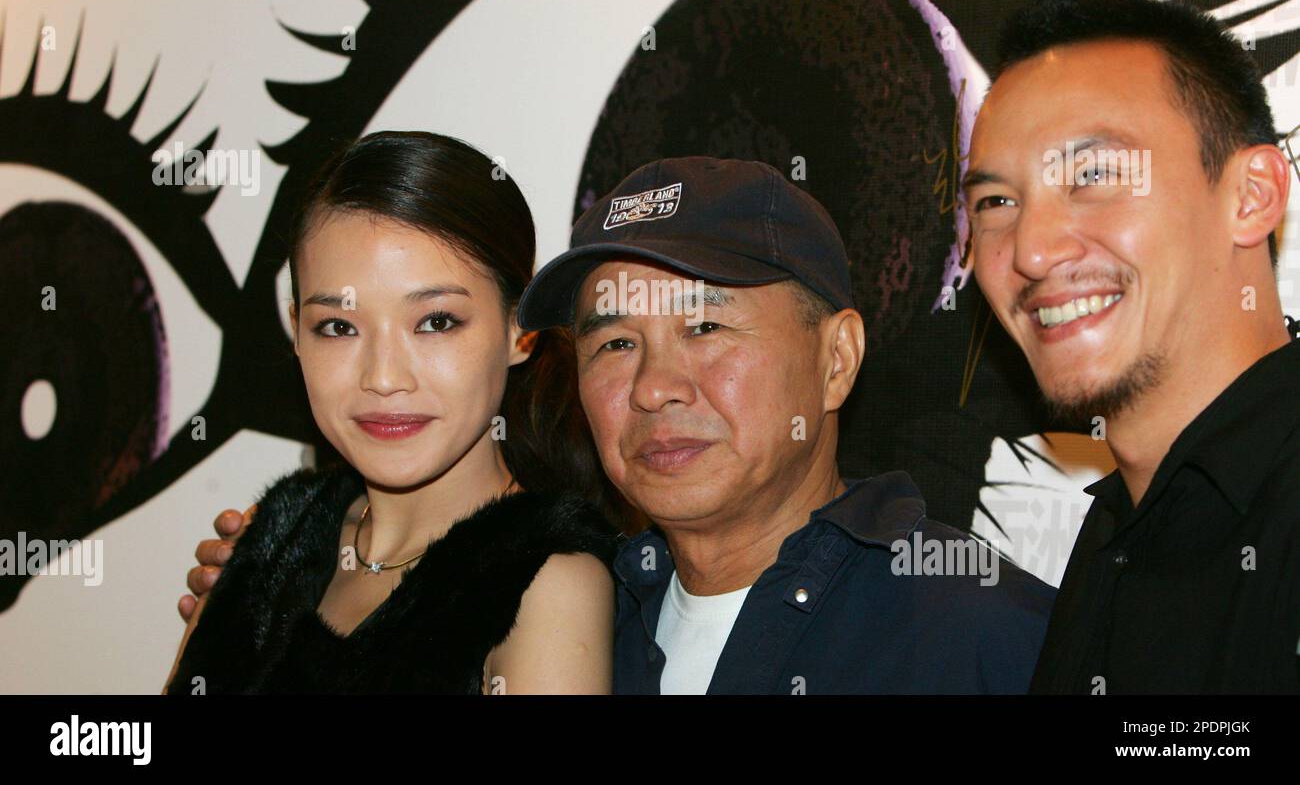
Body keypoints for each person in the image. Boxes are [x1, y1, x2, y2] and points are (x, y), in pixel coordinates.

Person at [186, 156, 1054, 693]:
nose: (654, 387)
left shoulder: (986, 633)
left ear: (835, 359)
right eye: (614, 341)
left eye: (705, 327)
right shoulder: (587, 601)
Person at [166, 131, 618, 695]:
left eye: (435, 322)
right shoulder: (273, 536)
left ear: (519, 330)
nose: (383, 377)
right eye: (339, 327)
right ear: (297, 333)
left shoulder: (548, 585)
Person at [963, 0, 1300, 693]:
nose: (1030, 248)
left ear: (1251, 194)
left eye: (1093, 175)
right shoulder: (1114, 529)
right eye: (995, 201)